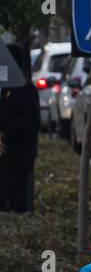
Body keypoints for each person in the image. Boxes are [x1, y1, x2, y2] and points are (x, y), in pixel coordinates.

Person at [0, 43, 40, 212]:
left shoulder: (25, 89)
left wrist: (4, 131)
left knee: (15, 200)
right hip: (8, 153)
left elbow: (29, 122)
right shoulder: (5, 88)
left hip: (18, 153)